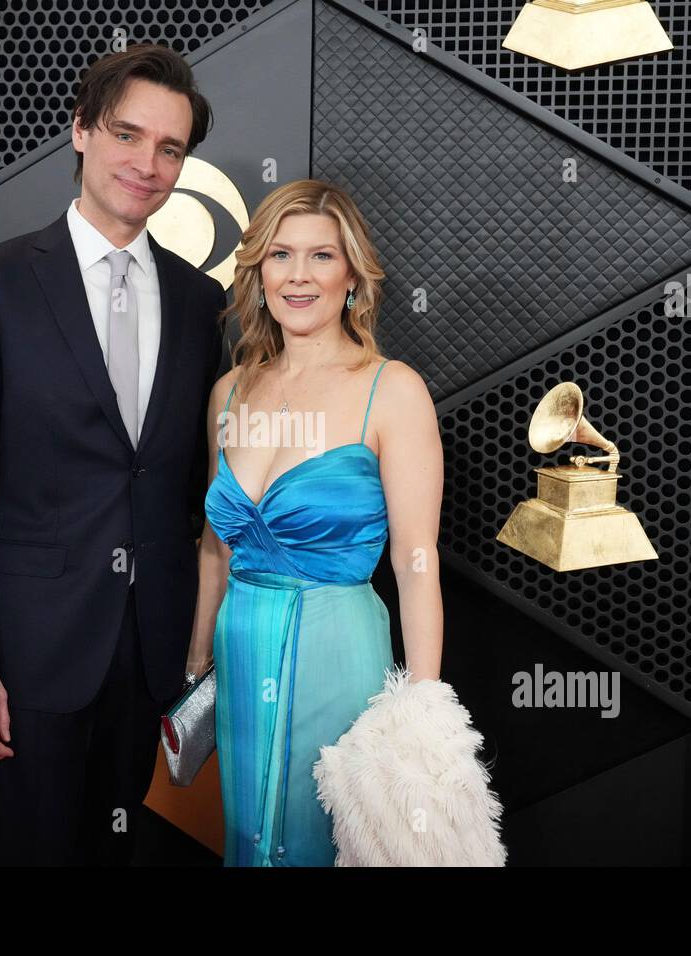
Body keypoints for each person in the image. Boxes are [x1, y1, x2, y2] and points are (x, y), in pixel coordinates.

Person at [0, 44, 227, 866]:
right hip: (26, 662)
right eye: (128, 135)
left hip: (158, 661)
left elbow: (203, 488)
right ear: (81, 132)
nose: (148, 163)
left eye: (170, 148)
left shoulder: (204, 303)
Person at [188, 179, 445, 866]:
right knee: (247, 835)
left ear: (353, 276)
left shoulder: (392, 389)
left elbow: (416, 563)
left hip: (340, 648)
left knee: (321, 836)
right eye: (280, 255)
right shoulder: (230, 390)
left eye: (322, 257)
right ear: (259, 274)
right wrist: (196, 660)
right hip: (238, 646)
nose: (299, 275)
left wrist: (424, 710)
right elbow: (215, 548)